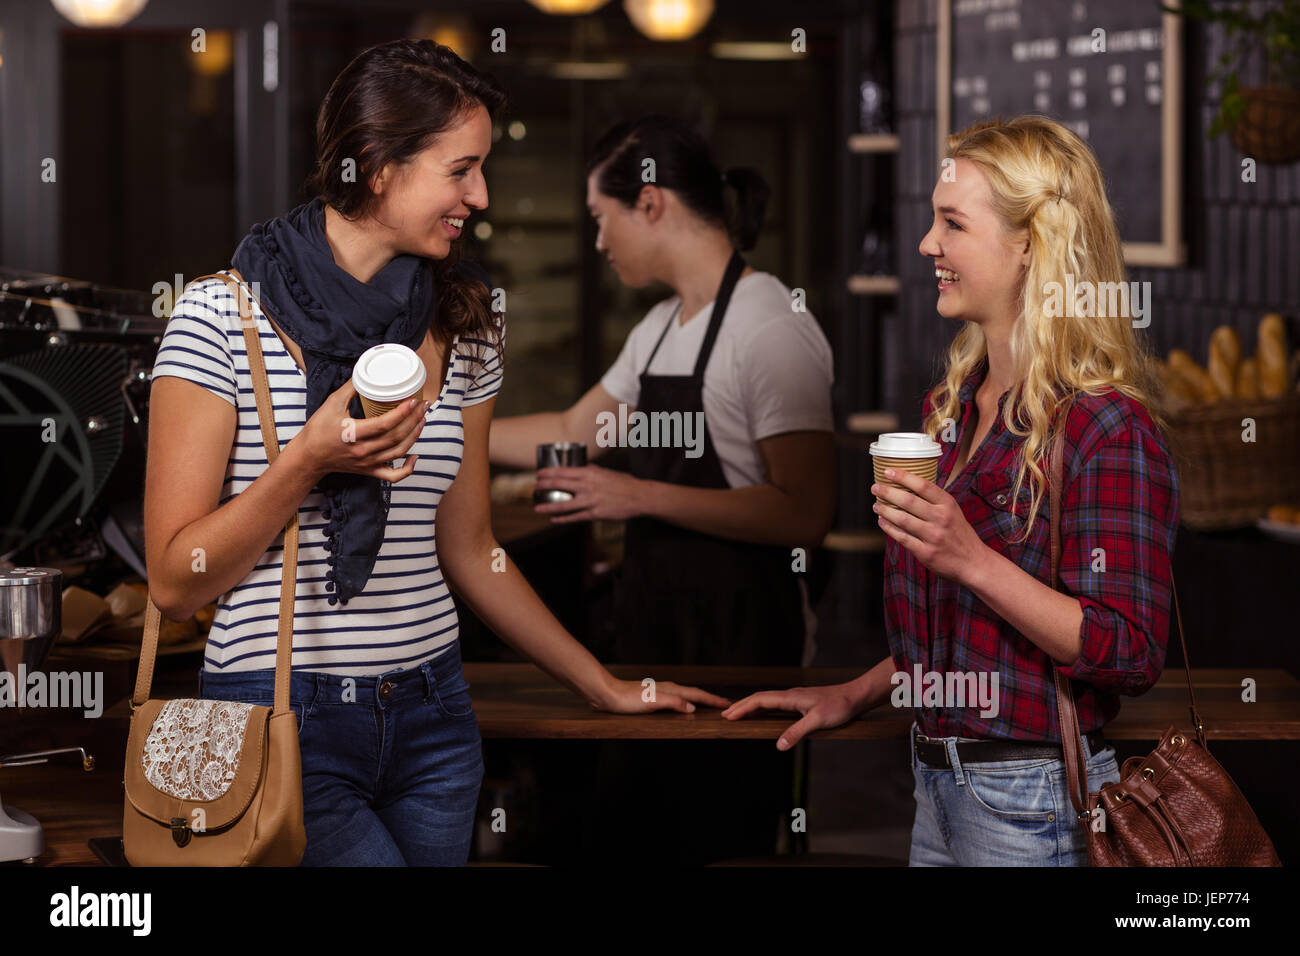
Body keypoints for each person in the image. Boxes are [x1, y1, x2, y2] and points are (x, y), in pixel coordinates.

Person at [144, 40, 726, 867]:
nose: (480, 196)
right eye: (461, 170)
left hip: (434, 720)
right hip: (280, 718)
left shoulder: (467, 320)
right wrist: (308, 461)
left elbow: (472, 547)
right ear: (378, 167)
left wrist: (599, 682)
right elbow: (173, 581)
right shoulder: (218, 319)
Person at [723, 115, 1180, 866]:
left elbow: (1128, 649)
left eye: (952, 224)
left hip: (1030, 799)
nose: (927, 244)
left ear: (1032, 244)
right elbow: (963, 634)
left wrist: (968, 556)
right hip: (937, 785)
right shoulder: (956, 403)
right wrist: (858, 692)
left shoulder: (1105, 426)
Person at [488, 114, 836, 862]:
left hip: (741, 648)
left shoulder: (770, 326)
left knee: (716, 842)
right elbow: (578, 430)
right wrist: (444, 425)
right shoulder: (659, 328)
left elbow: (805, 512)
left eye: (600, 218)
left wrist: (639, 496)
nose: (599, 241)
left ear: (650, 204)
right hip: (657, 635)